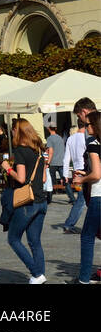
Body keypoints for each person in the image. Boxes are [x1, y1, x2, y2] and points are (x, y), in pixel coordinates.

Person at [1, 118, 49, 283]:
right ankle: (39, 277)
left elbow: (21, 178)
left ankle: (36, 273)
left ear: (18, 131)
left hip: (27, 202)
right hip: (41, 201)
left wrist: (8, 169)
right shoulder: (38, 151)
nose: (12, 132)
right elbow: (42, 178)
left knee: (14, 239)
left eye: (13, 130)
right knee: (35, 242)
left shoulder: (20, 151)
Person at [71, 109, 101, 284]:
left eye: (87, 124)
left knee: (87, 237)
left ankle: (83, 279)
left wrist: (82, 178)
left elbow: (97, 175)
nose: (85, 127)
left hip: (98, 195)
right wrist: (87, 171)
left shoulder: (94, 144)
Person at [63, 100, 96, 234]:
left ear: (84, 112)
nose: (79, 118)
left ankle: (69, 223)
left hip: (87, 175)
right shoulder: (86, 134)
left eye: (78, 115)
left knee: (82, 201)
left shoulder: (77, 137)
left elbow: (67, 158)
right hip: (86, 173)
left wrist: (66, 174)